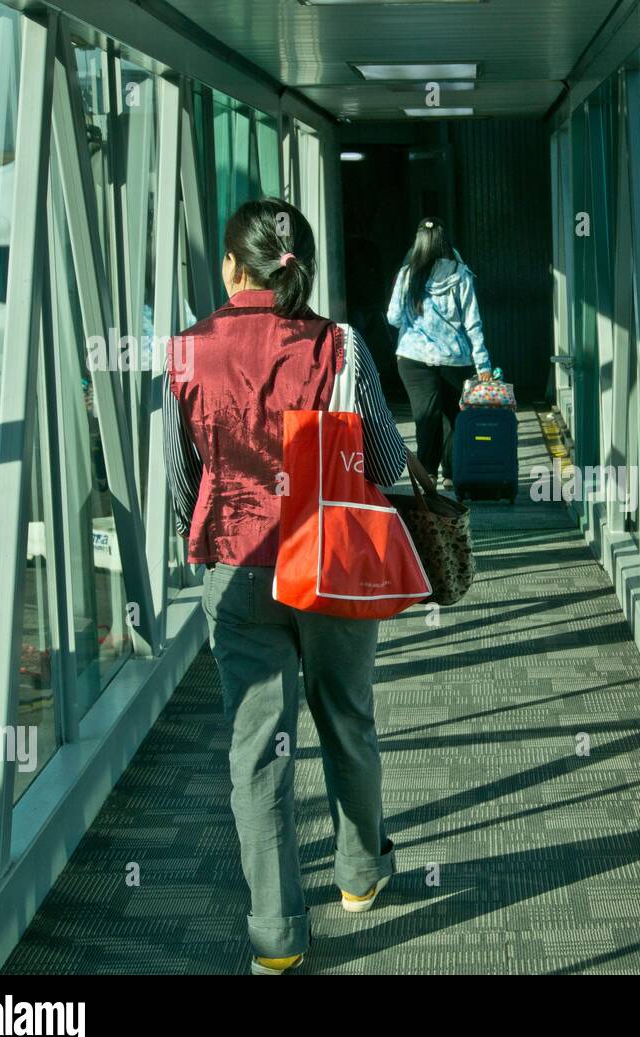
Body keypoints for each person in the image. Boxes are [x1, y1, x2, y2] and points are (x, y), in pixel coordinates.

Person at [163, 198, 420, 975]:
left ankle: (275, 936)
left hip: (238, 569)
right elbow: (382, 458)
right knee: (348, 718)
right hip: (330, 565)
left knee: (257, 753)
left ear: (234, 267)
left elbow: (181, 476)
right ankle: (358, 873)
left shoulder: (187, 349)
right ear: (297, 264)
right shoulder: (337, 344)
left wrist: (204, 536)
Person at [387, 217, 493, 488]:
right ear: (445, 243)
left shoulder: (408, 274)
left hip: (414, 359)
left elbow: (393, 318)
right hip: (454, 359)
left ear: (418, 243)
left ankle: (427, 474)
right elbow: (473, 322)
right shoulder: (460, 273)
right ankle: (451, 474)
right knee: (453, 417)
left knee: (425, 416)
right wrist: (483, 365)